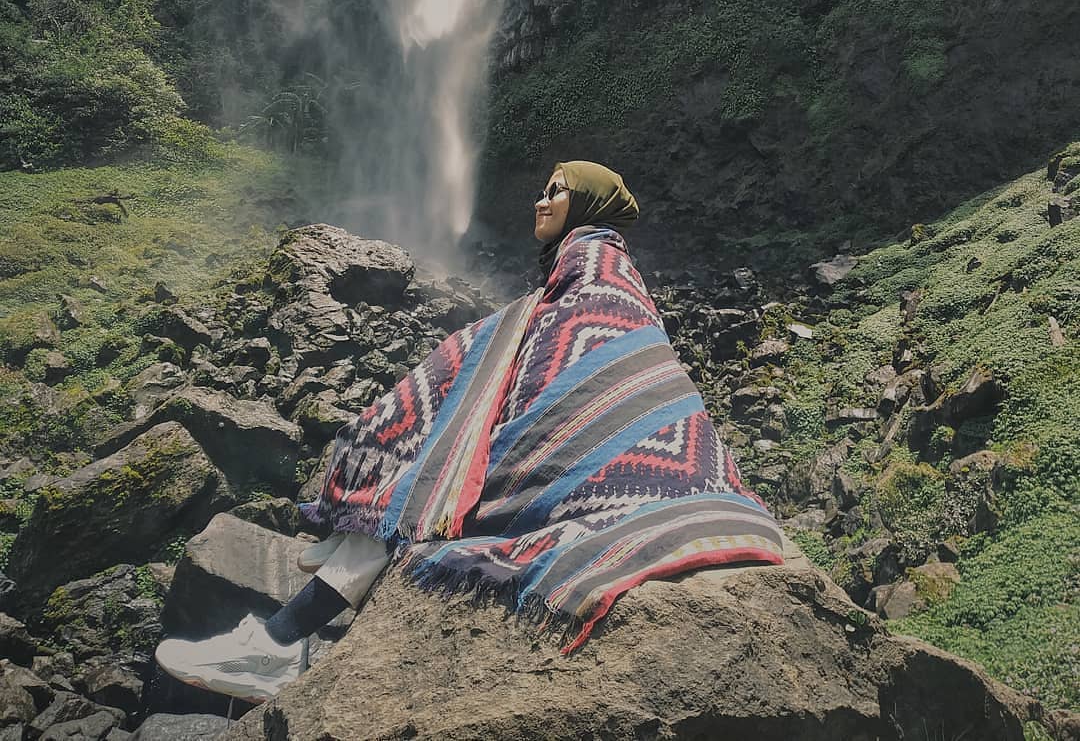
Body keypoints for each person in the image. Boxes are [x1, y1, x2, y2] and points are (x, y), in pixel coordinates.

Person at [155, 161, 783, 702]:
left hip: (604, 466)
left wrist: (502, 391)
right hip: (598, 452)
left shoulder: (598, 260)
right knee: (436, 468)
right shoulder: (585, 260)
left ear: (587, 204)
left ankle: (279, 641)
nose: (541, 200)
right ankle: (315, 592)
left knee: (430, 491)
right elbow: (553, 343)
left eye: (557, 190)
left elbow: (593, 358)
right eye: (543, 188)